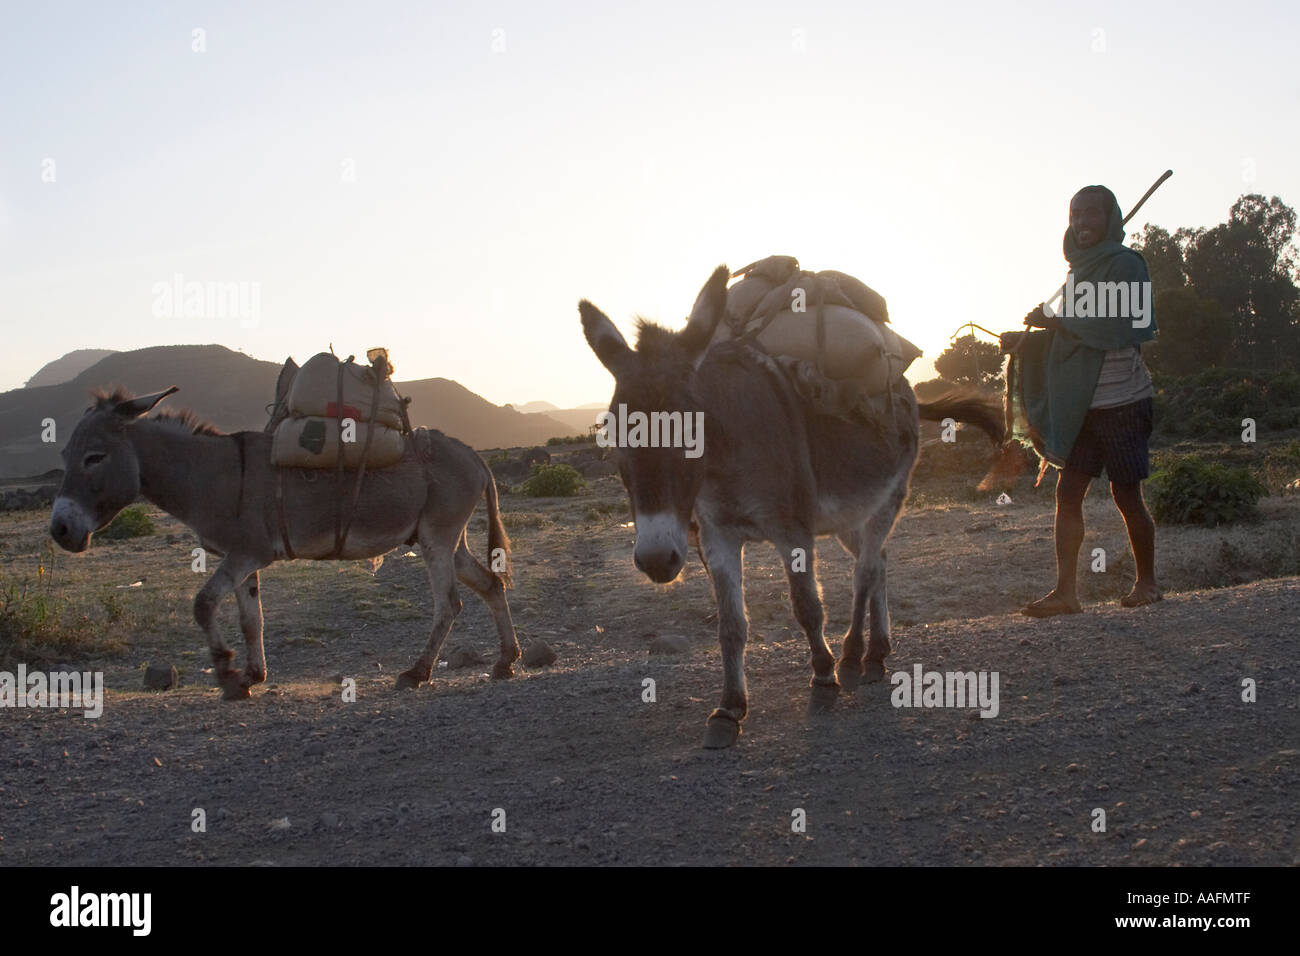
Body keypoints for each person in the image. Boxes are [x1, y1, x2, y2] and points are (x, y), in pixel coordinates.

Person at [1011, 185, 1162, 616]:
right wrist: (1031, 338)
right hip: (1083, 405)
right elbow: (1071, 334)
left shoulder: (1128, 265)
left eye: (1091, 214)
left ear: (1109, 217)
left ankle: (1147, 583)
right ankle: (1066, 593)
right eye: (1075, 214)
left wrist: (1056, 319)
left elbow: (1115, 325)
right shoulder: (1078, 272)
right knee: (1068, 492)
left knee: (1126, 494)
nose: (1082, 223)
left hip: (1124, 401)